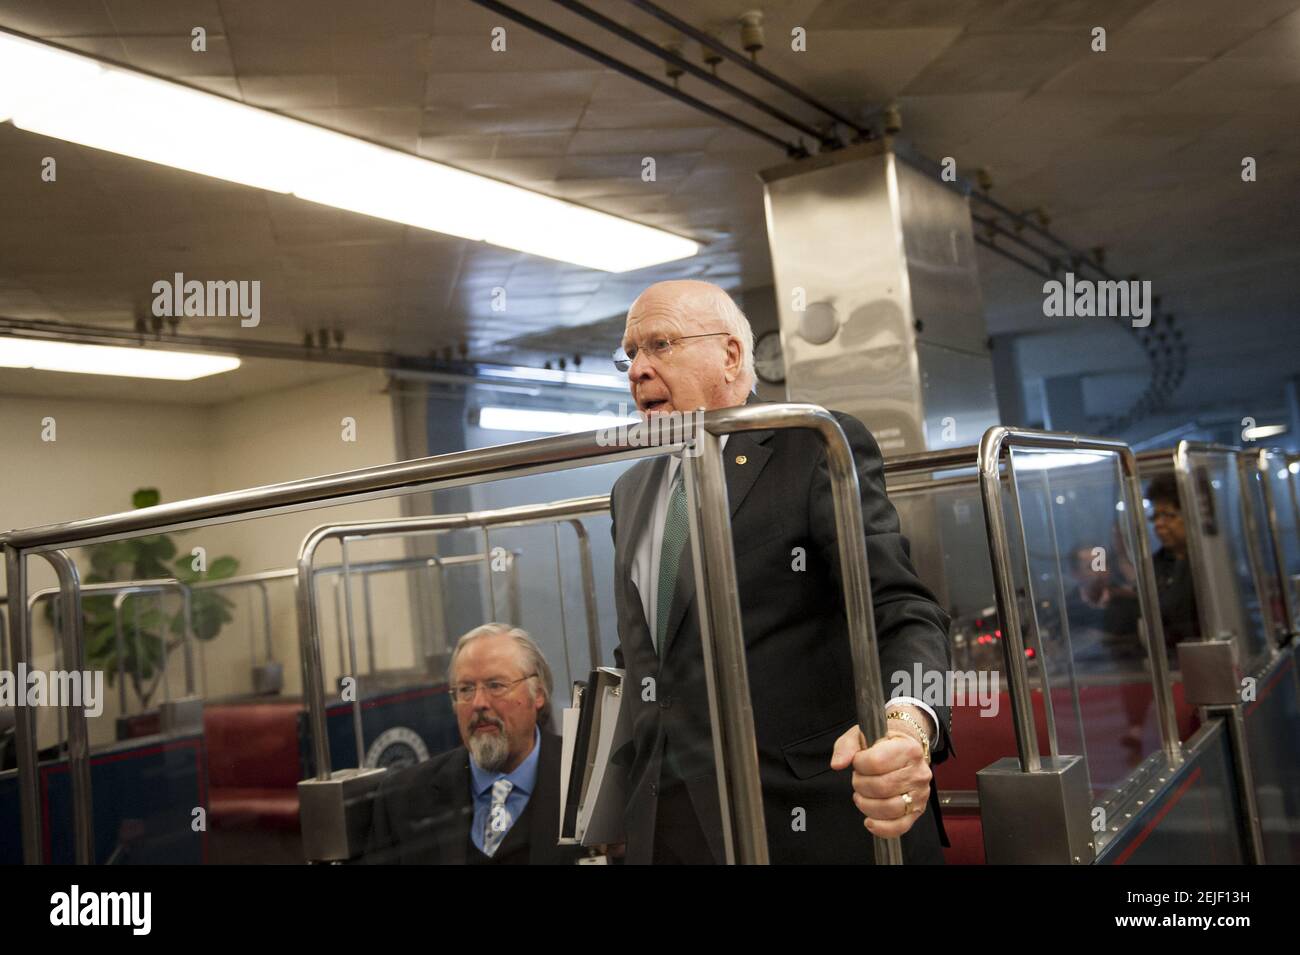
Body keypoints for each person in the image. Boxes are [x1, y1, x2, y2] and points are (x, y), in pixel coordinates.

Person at [607, 279, 953, 864]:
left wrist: (907, 725)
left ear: (731, 356)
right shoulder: (630, 490)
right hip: (671, 822)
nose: (638, 369)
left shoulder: (813, 444)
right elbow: (643, 654)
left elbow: (901, 608)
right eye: (630, 354)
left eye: (660, 344)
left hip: (811, 814)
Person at [362, 623, 583, 864]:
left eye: (496, 685)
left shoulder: (584, 780)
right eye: (466, 689)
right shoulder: (403, 799)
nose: (478, 703)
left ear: (538, 694)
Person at [1146, 473, 1201, 650]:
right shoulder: (1154, 565)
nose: (1159, 524)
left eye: (1168, 515)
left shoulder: (1209, 563)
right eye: (1155, 517)